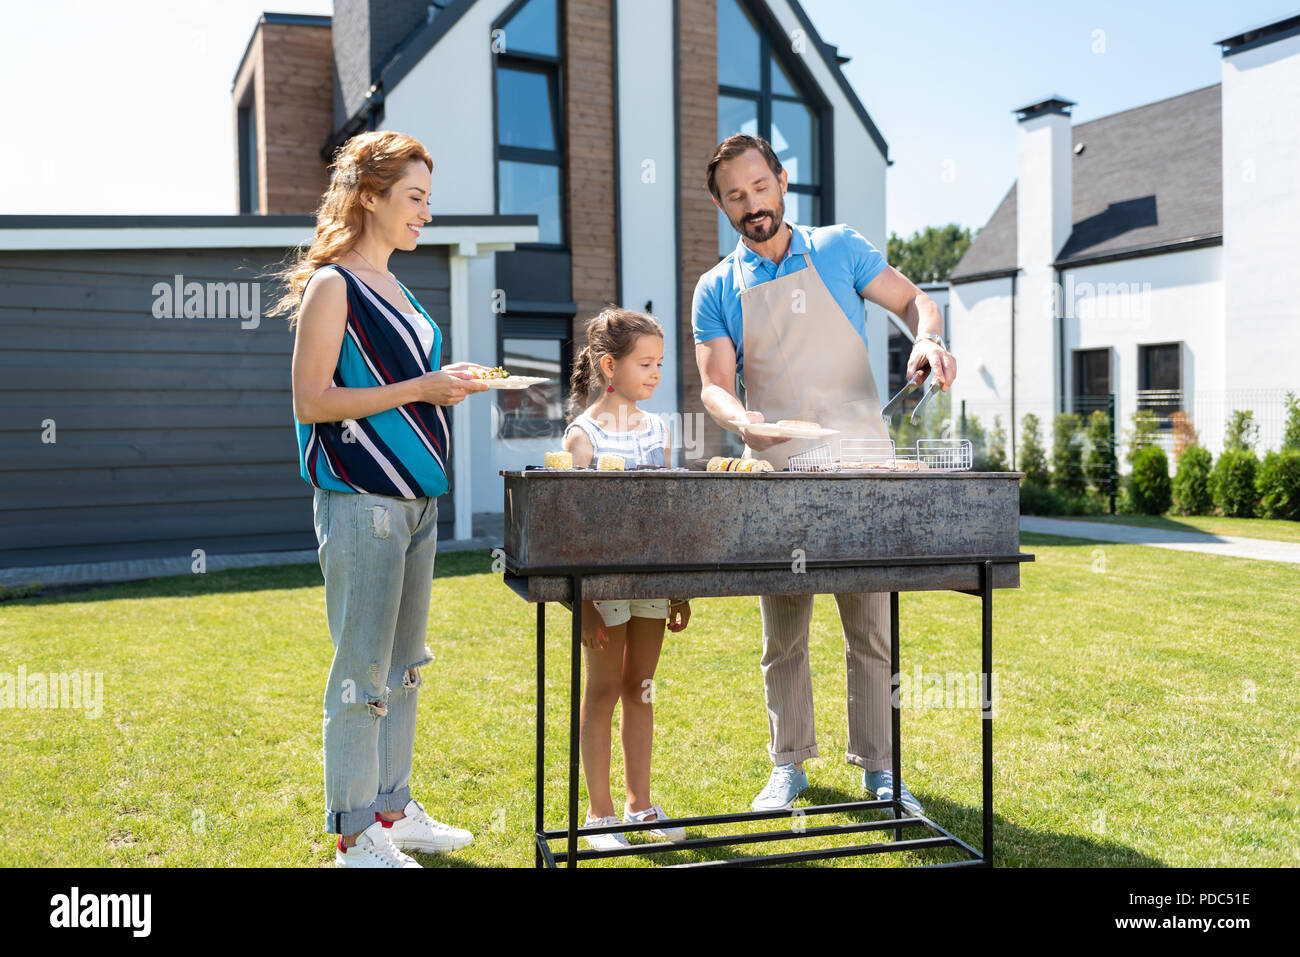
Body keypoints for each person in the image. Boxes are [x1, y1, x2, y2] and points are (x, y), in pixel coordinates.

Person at [691, 133, 958, 815]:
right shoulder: (717, 288)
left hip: (861, 459)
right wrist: (744, 423)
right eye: (736, 196)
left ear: (782, 181)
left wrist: (927, 336)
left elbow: (914, 302)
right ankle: (789, 766)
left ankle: (880, 769)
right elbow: (715, 385)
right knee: (783, 633)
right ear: (721, 205)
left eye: (760, 187)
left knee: (871, 626)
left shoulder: (839, 247)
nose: (752, 204)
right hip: (778, 469)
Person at [273, 130, 493, 867]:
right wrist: (422, 388)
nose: (426, 212)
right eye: (414, 197)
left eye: (429, 198)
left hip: (418, 503)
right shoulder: (334, 284)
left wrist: (444, 381)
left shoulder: (399, 288)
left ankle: (393, 814)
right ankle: (352, 833)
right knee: (362, 669)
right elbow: (312, 401)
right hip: (362, 499)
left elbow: (398, 392)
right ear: (369, 196)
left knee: (402, 668)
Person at [561, 308, 692, 849]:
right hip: (603, 586)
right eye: (646, 363)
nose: (656, 373)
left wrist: (678, 584)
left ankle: (640, 807)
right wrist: (585, 602)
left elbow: (666, 514)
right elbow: (569, 528)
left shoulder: (659, 429)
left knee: (641, 688)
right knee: (601, 693)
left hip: (651, 584)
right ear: (609, 365)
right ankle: (599, 816)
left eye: (660, 363)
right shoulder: (582, 436)